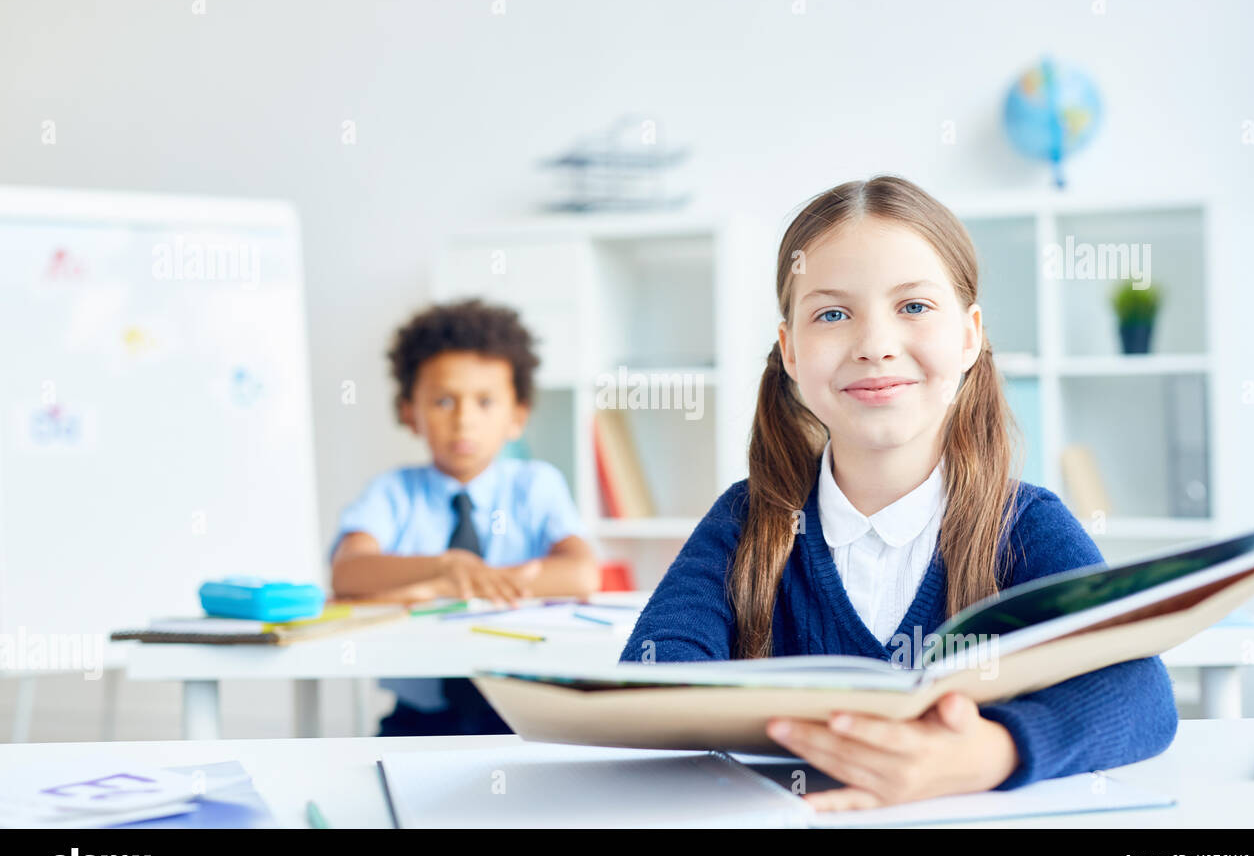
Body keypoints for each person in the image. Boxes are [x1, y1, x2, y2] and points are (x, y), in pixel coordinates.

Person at [620, 175, 1178, 810]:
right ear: (791, 352)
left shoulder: (1022, 525)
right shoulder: (750, 520)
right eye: (832, 314)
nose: (875, 347)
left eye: (913, 307)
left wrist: (986, 755)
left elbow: (1140, 691)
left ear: (969, 337)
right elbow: (652, 674)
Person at [331, 297, 600, 735]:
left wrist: (468, 582)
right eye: (442, 401)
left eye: (485, 402)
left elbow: (581, 574)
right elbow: (348, 573)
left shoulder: (536, 485)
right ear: (408, 412)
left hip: (521, 711)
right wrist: (446, 566)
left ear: (517, 417)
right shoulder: (393, 492)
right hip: (418, 720)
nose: (463, 421)